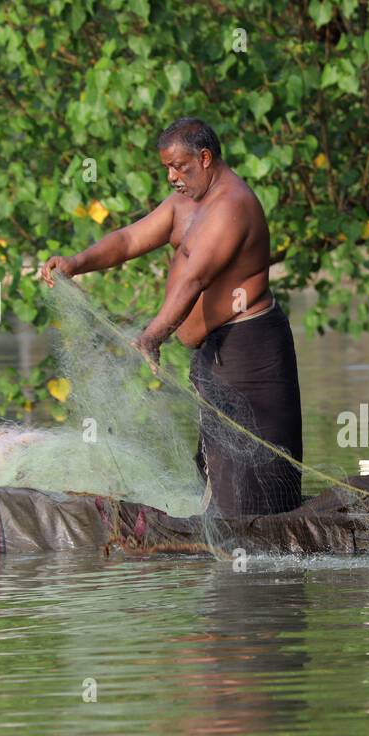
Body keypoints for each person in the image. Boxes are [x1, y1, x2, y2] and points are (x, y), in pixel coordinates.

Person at [39, 117, 302, 516]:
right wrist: (76, 262)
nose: (171, 177)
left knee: (253, 478)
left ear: (206, 158)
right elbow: (129, 240)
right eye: (166, 168)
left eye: (179, 167)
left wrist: (152, 336)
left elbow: (196, 278)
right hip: (214, 352)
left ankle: (258, 560)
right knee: (216, 469)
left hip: (251, 352)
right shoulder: (183, 205)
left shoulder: (233, 205)